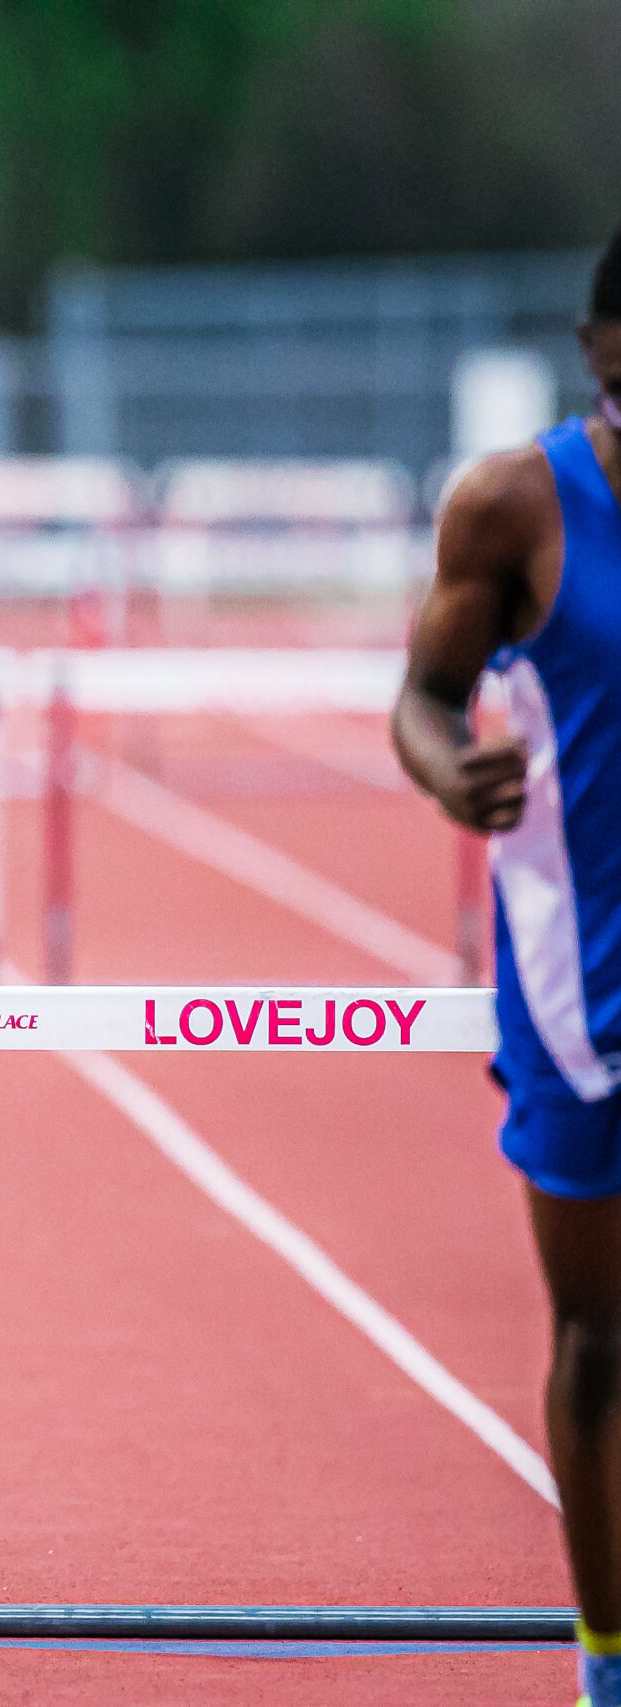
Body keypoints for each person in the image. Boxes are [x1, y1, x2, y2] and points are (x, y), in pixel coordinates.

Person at [394, 222, 621, 1707]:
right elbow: (421, 694)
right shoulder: (518, 504)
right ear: (609, 350)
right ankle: (609, 1658)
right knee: (603, 1333)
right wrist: (447, 771)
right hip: (583, 988)